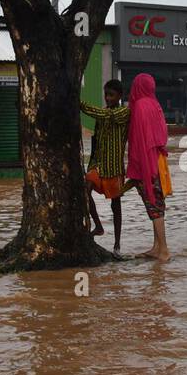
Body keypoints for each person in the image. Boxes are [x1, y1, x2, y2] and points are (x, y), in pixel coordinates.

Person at [122, 74, 171, 262]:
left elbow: (143, 140)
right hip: (158, 161)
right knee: (157, 204)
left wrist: (141, 167)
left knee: (154, 205)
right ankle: (156, 246)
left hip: (147, 162)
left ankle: (164, 250)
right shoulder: (154, 104)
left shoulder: (141, 106)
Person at [80, 79, 130, 253]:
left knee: (116, 206)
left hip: (114, 168)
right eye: (106, 95)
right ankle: (98, 226)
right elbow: (97, 140)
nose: (108, 98)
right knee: (85, 190)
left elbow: (106, 116)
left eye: (111, 95)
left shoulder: (123, 112)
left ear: (119, 96)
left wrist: (80, 104)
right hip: (98, 164)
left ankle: (117, 244)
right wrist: (91, 164)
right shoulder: (102, 113)